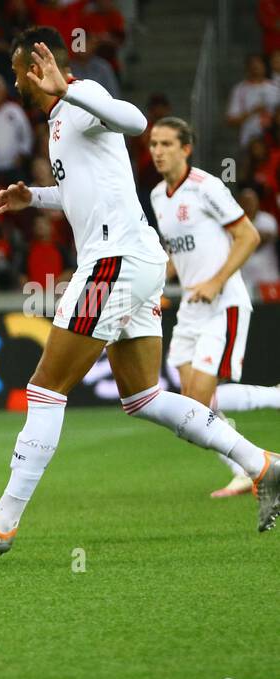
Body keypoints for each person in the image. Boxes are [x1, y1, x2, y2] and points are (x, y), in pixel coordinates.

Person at [0, 28, 280, 553]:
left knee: (45, 387)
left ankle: (2, 520)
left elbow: (137, 121)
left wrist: (67, 87)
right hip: (136, 260)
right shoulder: (58, 123)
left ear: (37, 66)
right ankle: (264, 465)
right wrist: (37, 198)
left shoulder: (81, 96)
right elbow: (87, 193)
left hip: (112, 264)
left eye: (15, 72)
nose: (13, 82)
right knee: (144, 396)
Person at [148, 117, 279, 498]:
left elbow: (248, 235)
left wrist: (217, 280)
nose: (158, 151)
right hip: (191, 307)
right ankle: (246, 470)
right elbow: (176, 251)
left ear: (185, 149)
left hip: (224, 303)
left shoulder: (207, 187)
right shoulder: (158, 196)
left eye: (166, 144)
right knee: (188, 415)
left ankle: (274, 403)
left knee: (195, 405)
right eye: (154, 144)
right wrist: (156, 284)